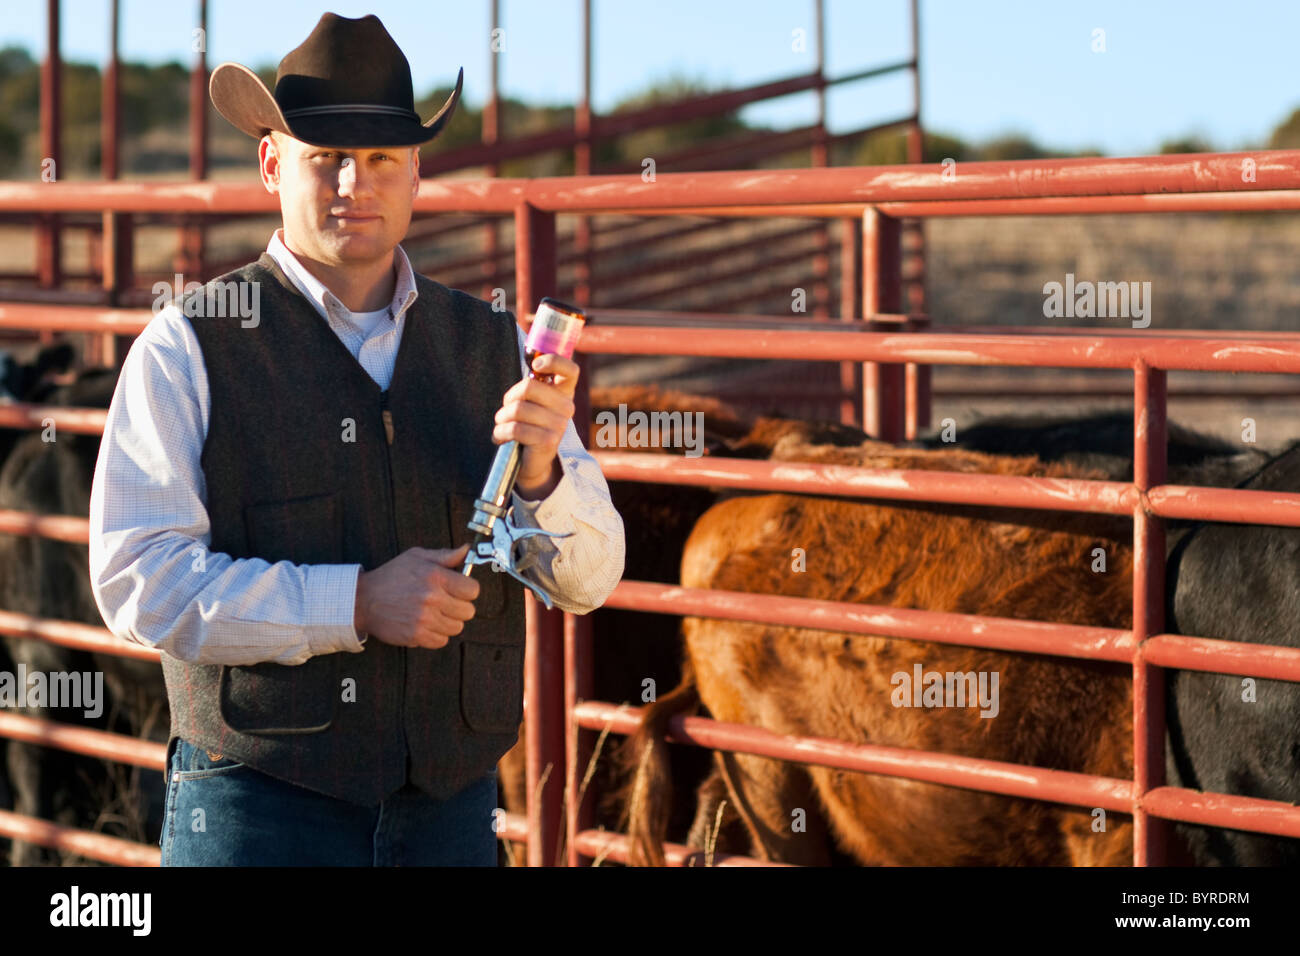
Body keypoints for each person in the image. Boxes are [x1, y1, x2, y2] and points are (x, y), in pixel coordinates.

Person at [87, 12, 625, 867]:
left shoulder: (496, 345)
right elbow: (137, 581)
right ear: (272, 163)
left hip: (450, 809)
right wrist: (355, 603)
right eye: (324, 157)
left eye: (380, 159)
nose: (353, 183)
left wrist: (544, 472)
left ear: (417, 173)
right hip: (257, 806)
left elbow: (591, 579)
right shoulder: (190, 343)